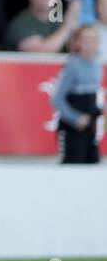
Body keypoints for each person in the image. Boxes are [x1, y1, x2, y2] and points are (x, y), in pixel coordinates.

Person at [50, 25, 104, 165]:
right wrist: (74, 118)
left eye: (93, 40)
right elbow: (57, 99)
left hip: (89, 124)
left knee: (92, 160)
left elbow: (93, 96)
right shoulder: (72, 66)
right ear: (78, 42)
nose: (90, 44)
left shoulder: (96, 66)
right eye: (86, 40)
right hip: (72, 127)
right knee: (73, 162)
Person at [2, 0, 82, 53]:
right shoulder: (20, 23)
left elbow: (78, 49)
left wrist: (74, 22)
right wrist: (67, 27)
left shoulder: (58, 16)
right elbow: (40, 52)